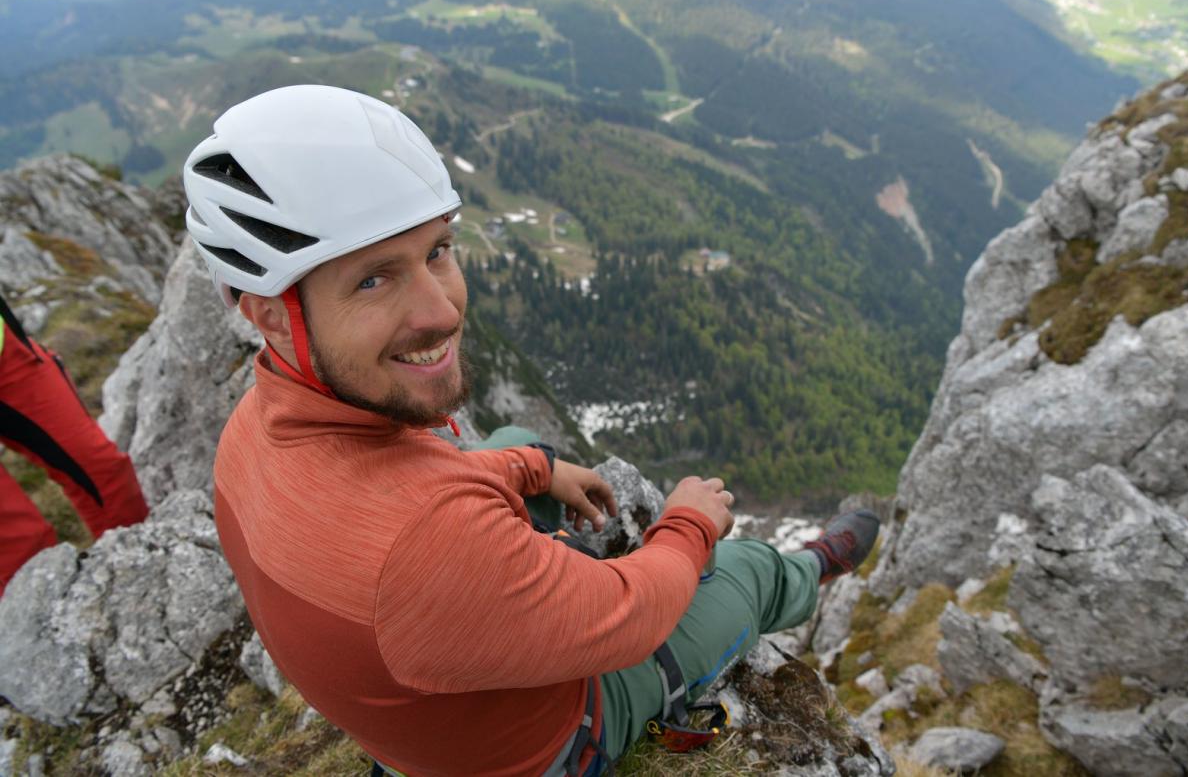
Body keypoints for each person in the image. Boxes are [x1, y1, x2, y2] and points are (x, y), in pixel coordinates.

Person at [184, 85, 879, 776]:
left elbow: (422, 499)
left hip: (416, 724)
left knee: (511, 438)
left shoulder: (247, 438)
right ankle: (810, 568)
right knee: (744, 569)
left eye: (437, 251)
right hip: (549, 740)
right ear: (273, 315)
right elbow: (633, 616)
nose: (441, 310)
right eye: (373, 280)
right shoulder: (426, 542)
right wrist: (688, 526)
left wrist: (534, 467)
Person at [0, 292, 148, 596]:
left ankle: (140, 577)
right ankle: (49, 630)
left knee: (103, 469)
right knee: (20, 545)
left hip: (8, 359)